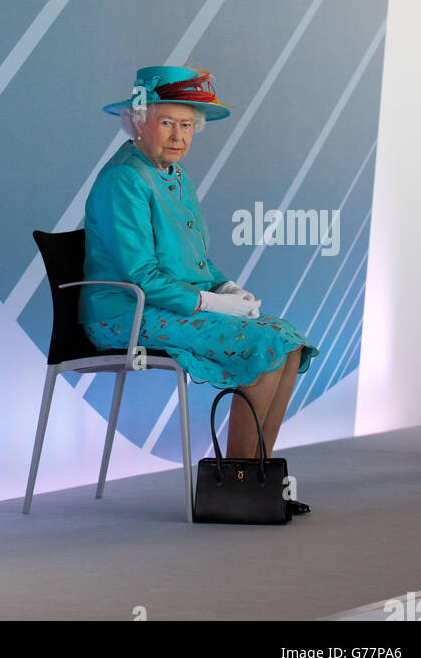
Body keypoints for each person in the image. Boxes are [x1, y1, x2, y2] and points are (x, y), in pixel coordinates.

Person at [80, 64, 318, 514]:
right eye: (166, 122)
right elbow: (140, 275)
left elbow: (193, 262)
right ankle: (238, 485)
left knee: (287, 341)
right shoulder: (124, 179)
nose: (178, 135)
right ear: (138, 121)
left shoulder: (176, 175)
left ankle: (259, 478)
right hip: (125, 314)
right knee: (263, 342)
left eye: (186, 125)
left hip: (171, 305)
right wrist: (213, 303)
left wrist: (226, 287)